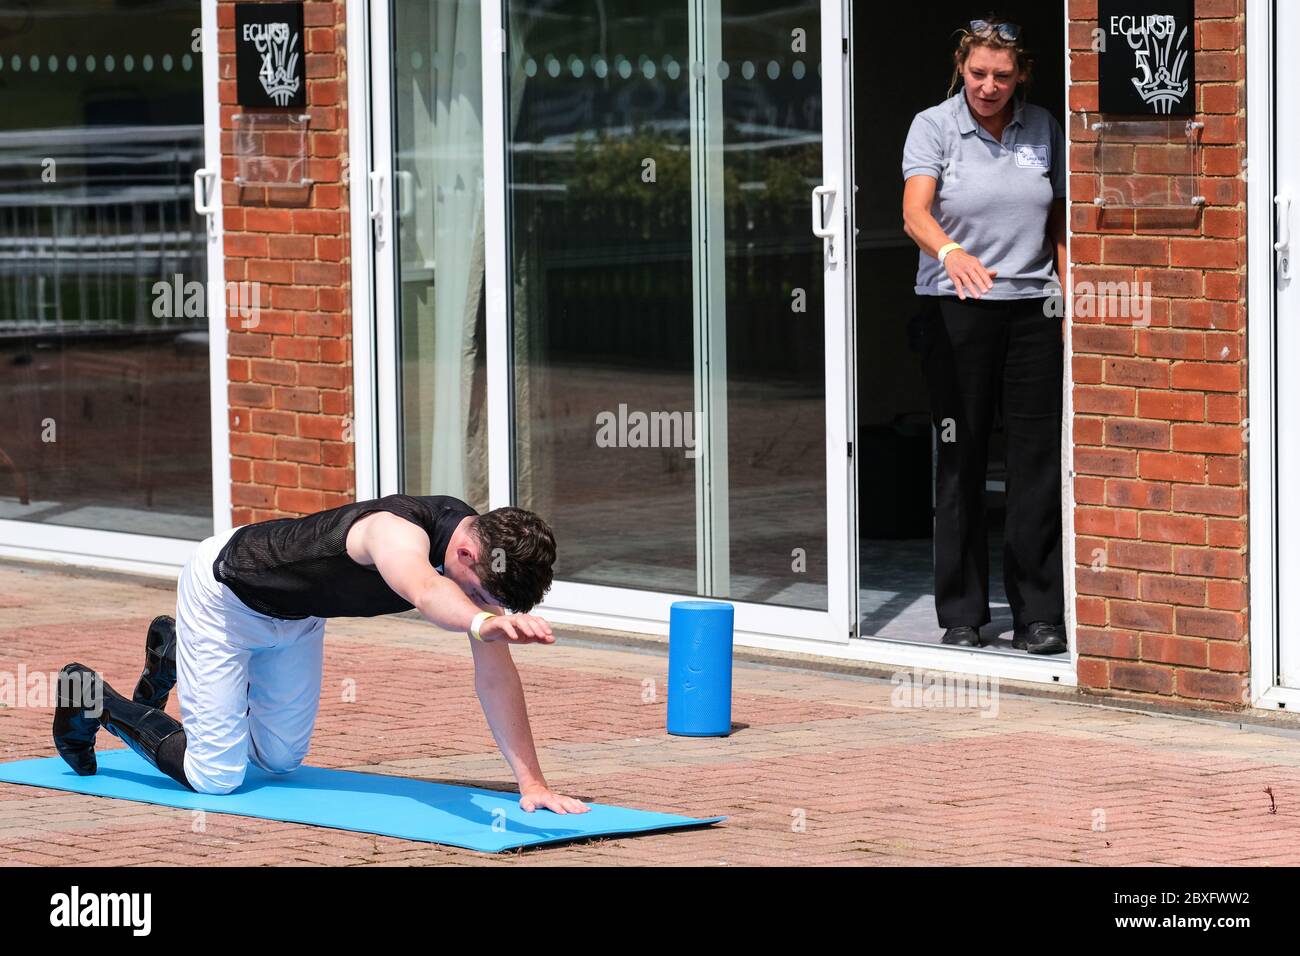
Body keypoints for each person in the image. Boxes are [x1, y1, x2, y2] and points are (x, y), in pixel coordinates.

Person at [53, 493, 590, 814]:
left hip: (298, 618)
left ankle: (173, 651)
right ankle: (95, 698)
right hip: (225, 597)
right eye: (480, 595)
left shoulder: (476, 548)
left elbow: (496, 679)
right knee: (216, 777)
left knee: (280, 762)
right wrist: (480, 618)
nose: (480, 607)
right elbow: (427, 592)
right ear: (469, 553)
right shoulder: (395, 533)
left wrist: (533, 784)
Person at [901, 16, 1068, 654]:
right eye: (978, 74)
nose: (989, 86)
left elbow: (1058, 218)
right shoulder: (934, 125)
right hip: (956, 306)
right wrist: (950, 254)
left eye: (1002, 75)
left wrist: (1067, 290)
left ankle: (1038, 614)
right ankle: (963, 613)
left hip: (1031, 310)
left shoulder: (1044, 127)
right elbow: (915, 211)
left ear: (1021, 74)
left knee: (1034, 463)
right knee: (962, 457)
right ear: (961, 67)